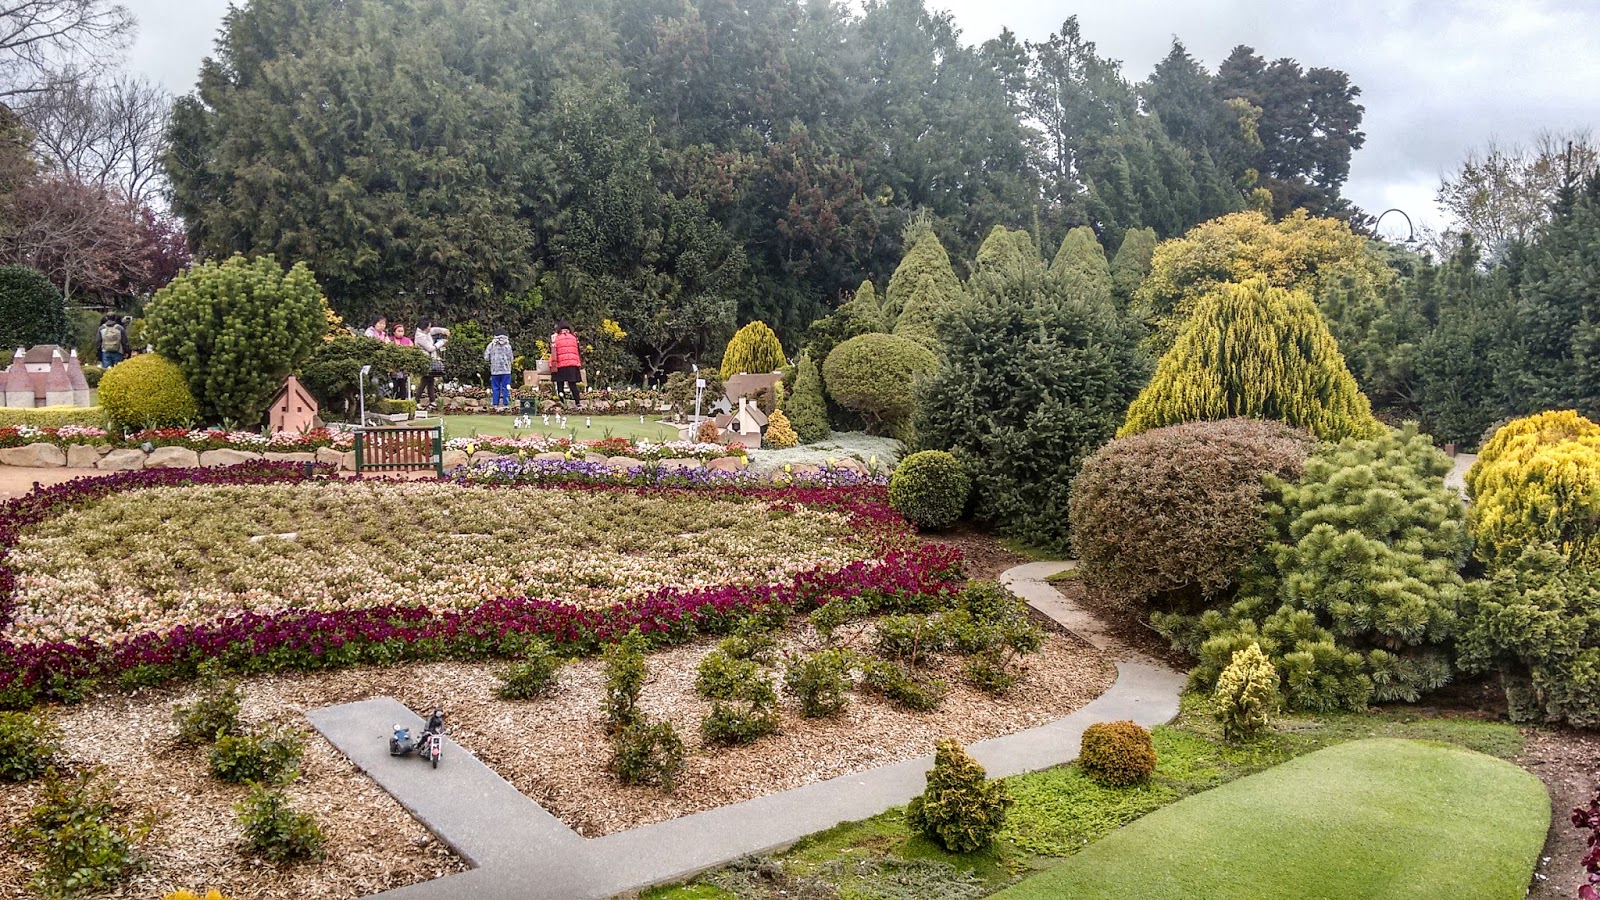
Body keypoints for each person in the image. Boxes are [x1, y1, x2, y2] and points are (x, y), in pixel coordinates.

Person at [414, 322, 450, 408]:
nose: (430, 328)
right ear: (425, 327)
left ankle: (432, 401)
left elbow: (434, 330)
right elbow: (430, 348)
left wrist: (444, 331)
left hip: (430, 360)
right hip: (425, 360)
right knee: (425, 379)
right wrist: (441, 342)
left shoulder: (426, 332)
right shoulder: (420, 336)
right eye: (429, 326)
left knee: (430, 379)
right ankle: (417, 400)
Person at [550, 321, 583, 408]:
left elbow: (554, 352)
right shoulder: (574, 337)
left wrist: (552, 365)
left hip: (561, 364)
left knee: (560, 384)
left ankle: (562, 403)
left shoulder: (556, 338)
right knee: (572, 384)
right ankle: (578, 402)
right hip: (572, 364)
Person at [484, 329, 515, 410]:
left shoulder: (491, 345)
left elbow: (486, 357)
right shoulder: (508, 345)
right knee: (506, 387)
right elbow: (511, 358)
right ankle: (506, 404)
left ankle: (495, 404)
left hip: (495, 370)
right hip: (506, 370)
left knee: (495, 387)